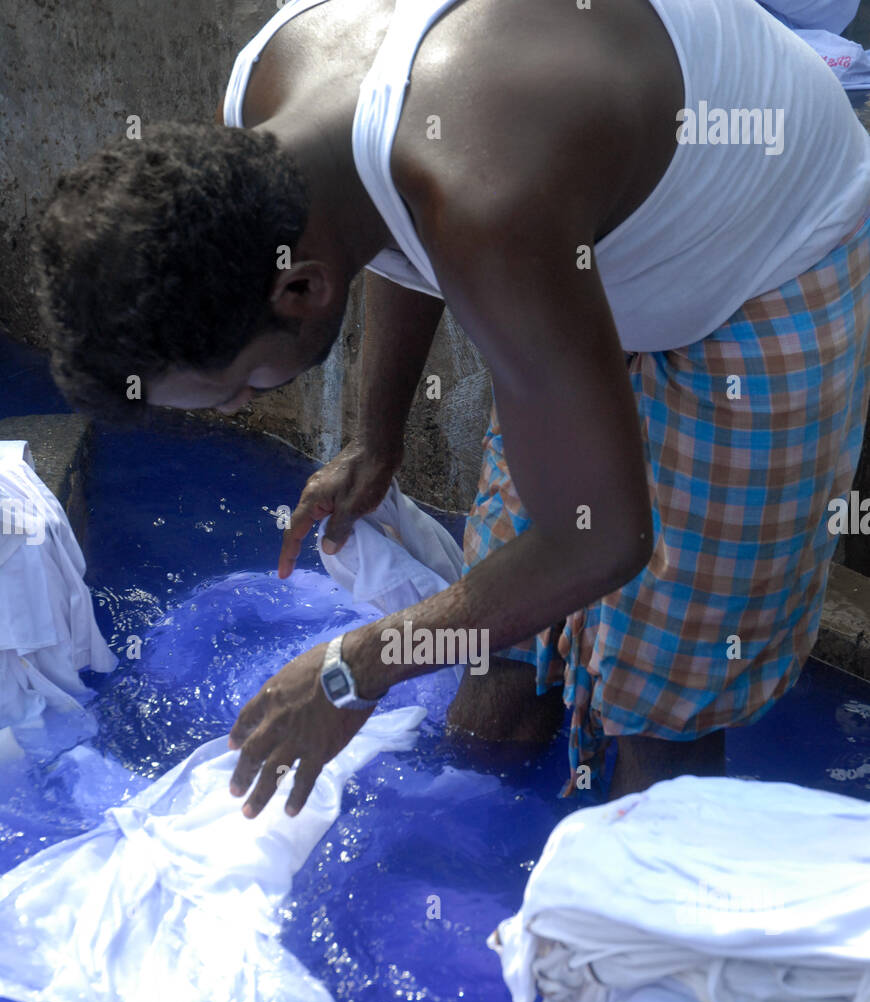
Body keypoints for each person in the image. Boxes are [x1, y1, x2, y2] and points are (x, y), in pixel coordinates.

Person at [33, 0, 870, 817]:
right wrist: (377, 437)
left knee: (663, 698)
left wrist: (352, 666)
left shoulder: (492, 200)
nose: (257, 397)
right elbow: (392, 225)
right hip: (576, 239)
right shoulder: (267, 116)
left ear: (300, 289)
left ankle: (633, 913)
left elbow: (605, 539)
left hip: (764, 259)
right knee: (500, 643)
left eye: (251, 385)